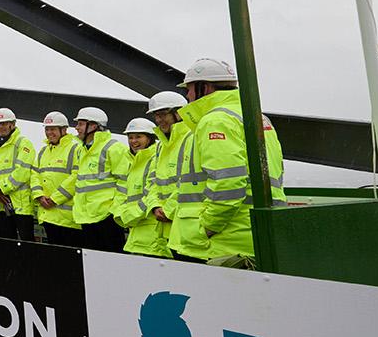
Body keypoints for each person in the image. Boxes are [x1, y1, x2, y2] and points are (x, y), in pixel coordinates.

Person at [171, 58, 286, 261]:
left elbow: (228, 182)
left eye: (189, 89)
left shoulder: (216, 120)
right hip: (255, 233)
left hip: (220, 244)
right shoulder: (257, 117)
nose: (187, 96)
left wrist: (207, 228)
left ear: (204, 88)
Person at [70, 107, 129, 252]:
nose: (76, 128)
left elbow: (125, 182)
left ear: (93, 126)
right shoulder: (82, 149)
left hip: (107, 218)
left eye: (80, 124)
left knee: (113, 260)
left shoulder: (114, 148)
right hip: (86, 217)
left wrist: (115, 210)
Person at [115, 118, 171, 257]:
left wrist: (129, 216)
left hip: (153, 235)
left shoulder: (156, 158)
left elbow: (153, 193)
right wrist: (121, 215)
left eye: (138, 137)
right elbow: (121, 193)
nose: (133, 141)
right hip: (135, 232)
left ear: (150, 138)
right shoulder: (131, 161)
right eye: (130, 137)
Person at [144, 91, 191, 251]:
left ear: (178, 114)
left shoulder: (192, 138)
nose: (158, 120)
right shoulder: (160, 146)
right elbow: (152, 181)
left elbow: (192, 181)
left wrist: (168, 210)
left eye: (163, 114)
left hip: (186, 223)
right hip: (167, 226)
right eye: (156, 116)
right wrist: (155, 206)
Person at [0, 108, 36, 241]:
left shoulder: (23, 143)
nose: (1, 127)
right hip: (0, 203)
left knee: (26, 243)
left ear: (12, 124)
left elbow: (23, 171)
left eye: (4, 123)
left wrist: (1, 189)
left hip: (20, 205)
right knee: (5, 244)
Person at [33, 112, 82, 246]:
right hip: (48, 215)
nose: (49, 133)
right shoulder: (43, 151)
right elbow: (34, 175)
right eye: (47, 129)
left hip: (68, 220)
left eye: (53, 129)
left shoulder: (75, 148)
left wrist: (55, 199)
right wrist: (39, 196)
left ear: (64, 130)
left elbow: (76, 177)